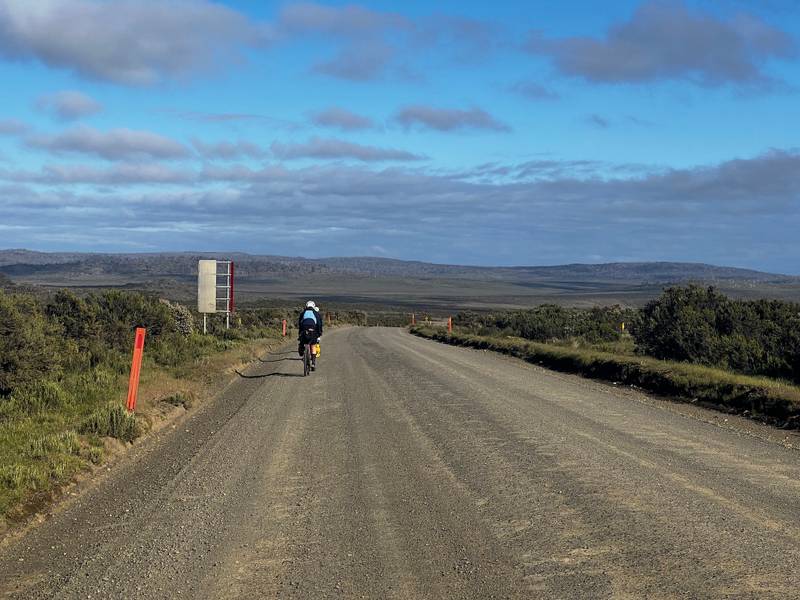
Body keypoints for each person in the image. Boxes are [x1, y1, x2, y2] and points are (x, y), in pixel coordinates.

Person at [297, 300, 323, 368]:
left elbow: (300, 323)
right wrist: (319, 332)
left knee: (302, 340)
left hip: (304, 329)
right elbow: (319, 324)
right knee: (313, 345)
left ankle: (302, 349)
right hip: (313, 329)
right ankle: (313, 363)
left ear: (306, 306)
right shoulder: (316, 313)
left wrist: (300, 333)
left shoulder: (303, 313)